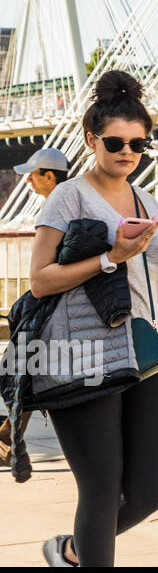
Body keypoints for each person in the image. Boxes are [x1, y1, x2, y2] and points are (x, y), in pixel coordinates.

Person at [33, 71, 158, 567]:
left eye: (138, 143)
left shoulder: (148, 202)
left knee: (150, 492)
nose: (127, 151)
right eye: (114, 141)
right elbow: (40, 280)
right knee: (100, 488)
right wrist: (110, 257)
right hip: (82, 355)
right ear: (92, 140)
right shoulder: (68, 196)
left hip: (139, 356)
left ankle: (72, 551)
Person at [2, 147, 71, 467]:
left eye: (34, 173)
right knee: (30, 366)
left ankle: (9, 432)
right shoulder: (66, 202)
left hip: (57, 305)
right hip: (55, 302)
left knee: (27, 366)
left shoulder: (58, 208)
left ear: (49, 176)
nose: (28, 179)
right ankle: (9, 430)